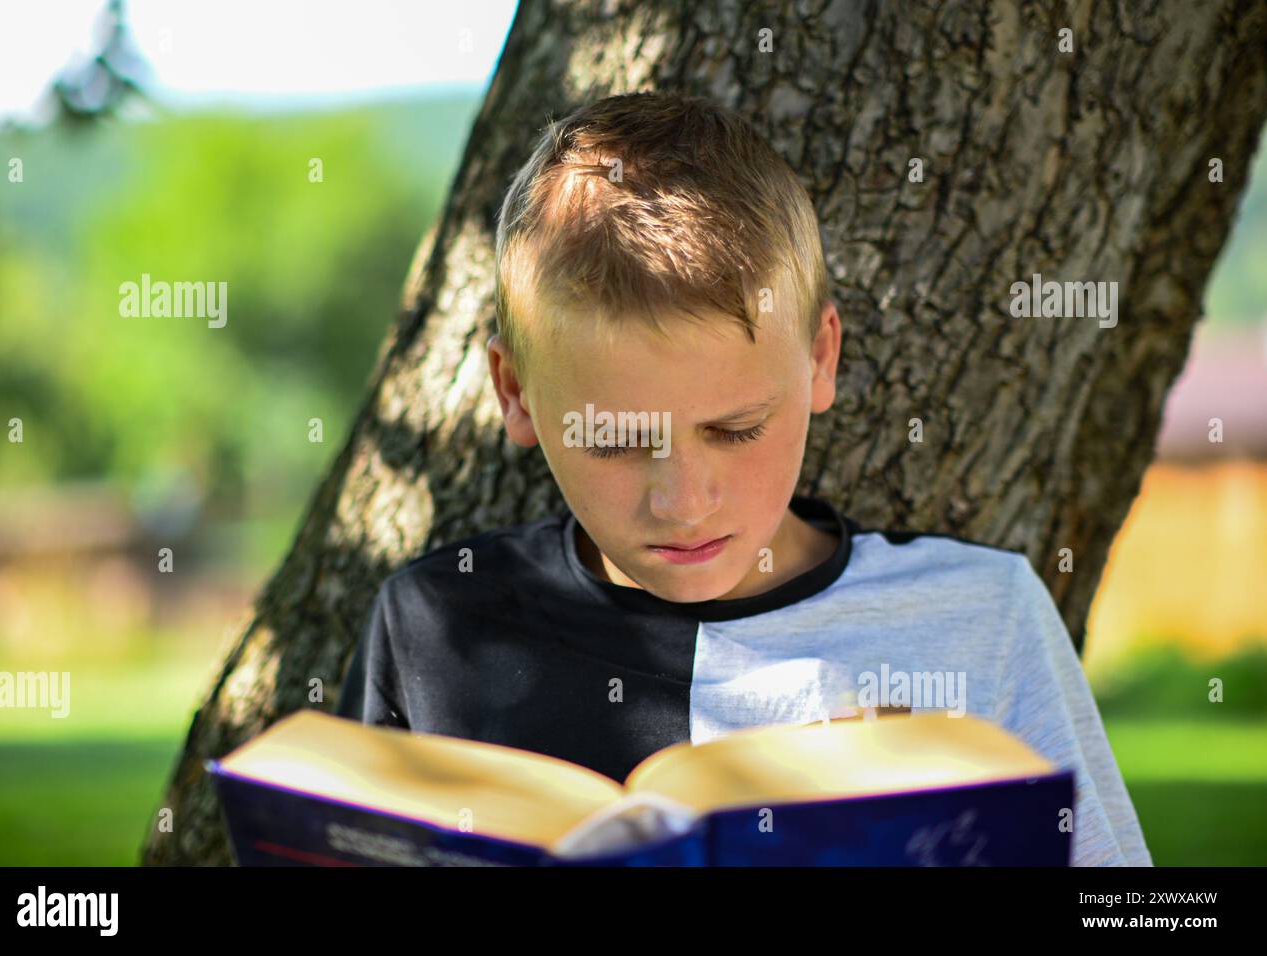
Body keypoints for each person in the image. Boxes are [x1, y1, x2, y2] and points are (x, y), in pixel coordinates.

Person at [337, 91, 1152, 867]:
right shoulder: (435, 628)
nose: (684, 502)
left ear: (821, 358)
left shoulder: (981, 618)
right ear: (516, 393)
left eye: (736, 430)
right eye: (616, 441)